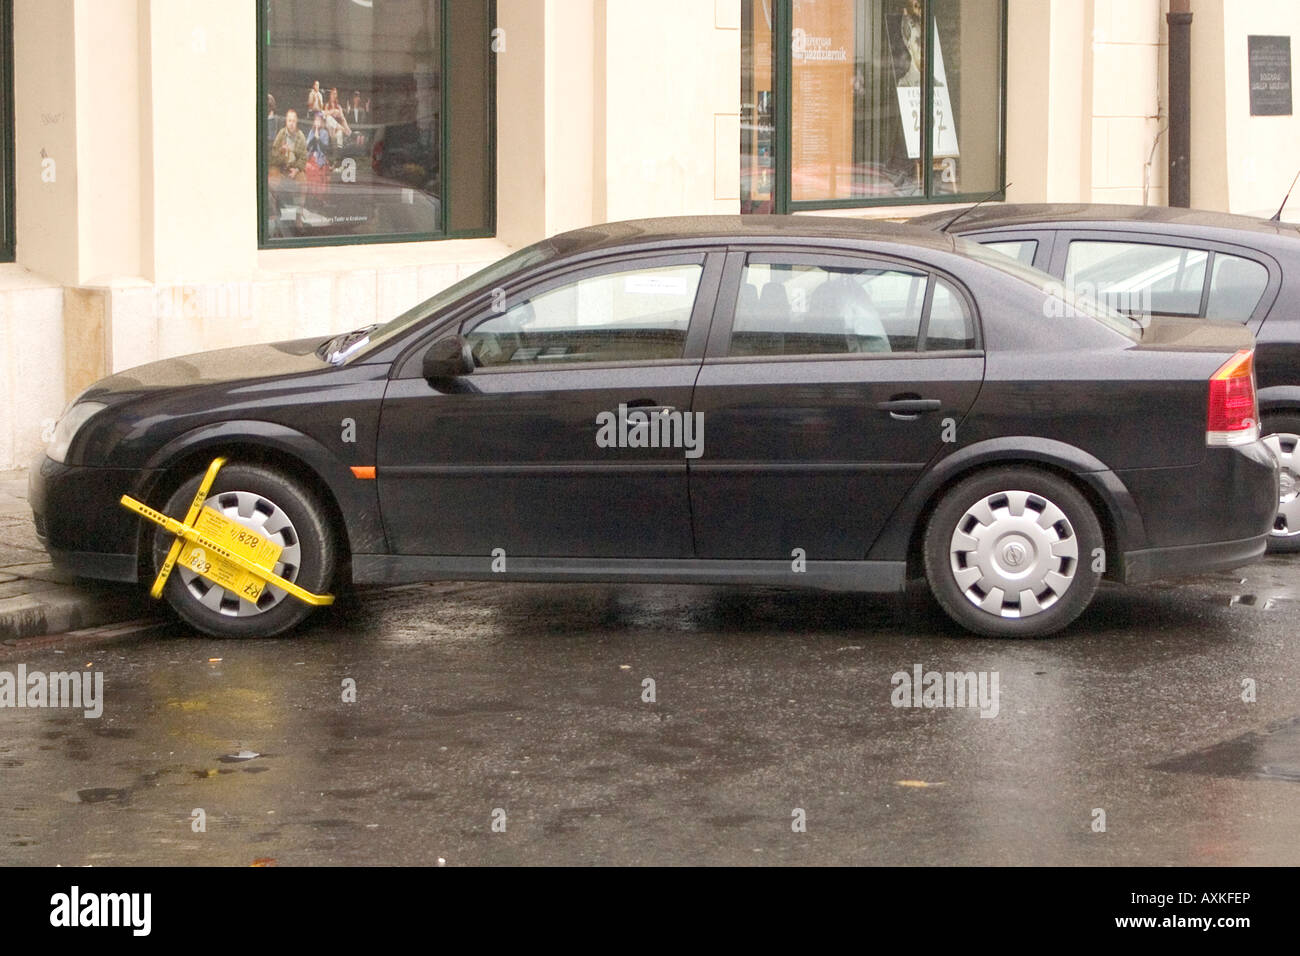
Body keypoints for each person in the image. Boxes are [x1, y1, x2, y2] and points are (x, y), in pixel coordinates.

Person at [269, 108, 308, 207]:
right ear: (286, 122)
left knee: (303, 184)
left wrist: (296, 169)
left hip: (294, 168)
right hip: (280, 167)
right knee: (271, 181)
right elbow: (273, 155)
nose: (291, 123)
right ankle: (273, 212)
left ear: (297, 122)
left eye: (293, 121)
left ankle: (298, 215)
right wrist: (281, 152)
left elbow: (303, 158)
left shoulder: (301, 136)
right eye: (289, 121)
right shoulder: (281, 134)